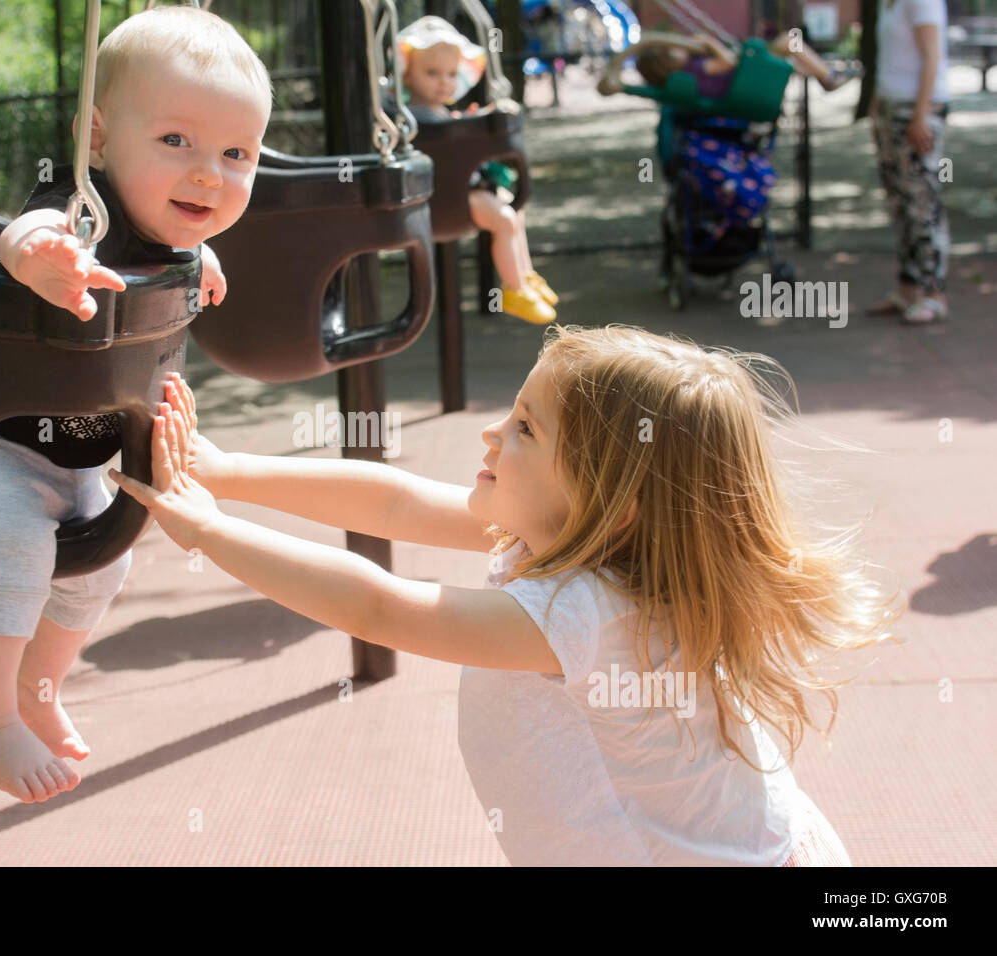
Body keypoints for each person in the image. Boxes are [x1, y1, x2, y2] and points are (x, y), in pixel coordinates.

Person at [112, 326, 905, 865]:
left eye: (527, 428)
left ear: (610, 501)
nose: (493, 436)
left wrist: (210, 533)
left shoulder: (584, 613)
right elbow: (392, 504)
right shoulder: (569, 536)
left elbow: (379, 608)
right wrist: (224, 470)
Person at [0, 5, 271, 804]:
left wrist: (203, 247)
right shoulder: (81, 206)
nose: (207, 175)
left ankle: (37, 690)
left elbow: (178, 230)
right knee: (10, 552)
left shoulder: (173, 228)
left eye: (236, 154)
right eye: (175, 142)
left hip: (86, 449)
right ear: (97, 140)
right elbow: (20, 233)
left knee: (101, 570)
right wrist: (41, 255)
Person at [398, 15, 560, 325]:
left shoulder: (438, 110)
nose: (443, 81)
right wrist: (470, 124)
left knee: (516, 209)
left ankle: (525, 275)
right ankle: (513, 290)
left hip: (462, 190)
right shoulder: (412, 115)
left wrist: (471, 119)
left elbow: (452, 127)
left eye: (449, 74)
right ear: (406, 72)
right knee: (504, 218)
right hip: (445, 199)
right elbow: (443, 133)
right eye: (432, 73)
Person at [867, 0, 950, 324]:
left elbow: (932, 56)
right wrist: (877, 103)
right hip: (891, 109)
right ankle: (908, 289)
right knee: (899, 203)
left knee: (922, 202)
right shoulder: (888, 3)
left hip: (916, 113)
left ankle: (934, 294)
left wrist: (920, 115)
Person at [602, 29, 858, 98]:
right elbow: (728, 62)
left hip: (744, 79)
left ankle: (819, 74)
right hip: (744, 80)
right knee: (788, 40)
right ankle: (827, 76)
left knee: (787, 53)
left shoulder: (686, 74)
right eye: (674, 51)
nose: (681, 50)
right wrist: (710, 43)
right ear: (665, 63)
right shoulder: (692, 71)